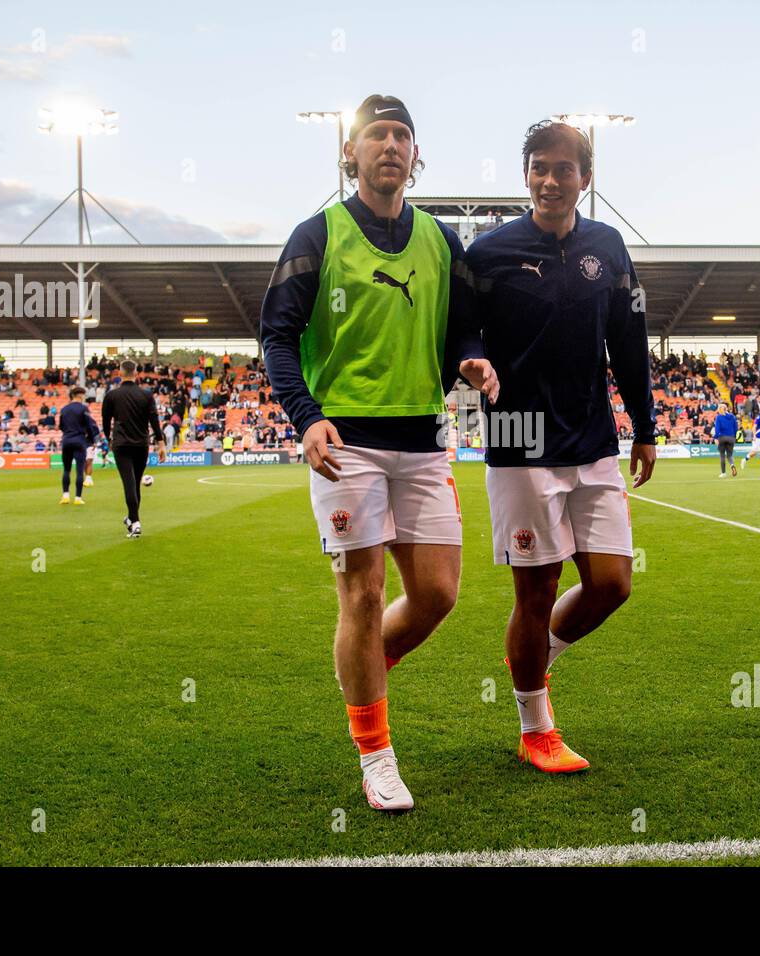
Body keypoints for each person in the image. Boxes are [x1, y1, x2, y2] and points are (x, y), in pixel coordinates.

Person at [260, 94, 496, 812]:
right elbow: (275, 334)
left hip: (425, 440)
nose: (390, 145)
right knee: (361, 595)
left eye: (402, 135)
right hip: (347, 442)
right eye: (376, 135)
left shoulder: (442, 242)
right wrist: (306, 418)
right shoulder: (317, 233)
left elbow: (464, 330)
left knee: (438, 595)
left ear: (415, 157)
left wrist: (473, 363)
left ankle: (365, 666)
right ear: (350, 155)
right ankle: (377, 754)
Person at [465, 118, 655, 774]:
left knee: (612, 583)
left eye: (564, 169)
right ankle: (534, 724)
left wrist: (646, 426)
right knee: (537, 590)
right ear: (525, 175)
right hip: (520, 440)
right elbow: (462, 331)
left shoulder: (608, 247)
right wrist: (471, 362)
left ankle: (531, 657)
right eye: (540, 167)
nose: (551, 180)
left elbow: (629, 344)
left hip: (595, 438)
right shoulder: (488, 252)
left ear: (586, 178)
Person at [101, 360, 167, 537]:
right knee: (135, 482)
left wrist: (107, 441)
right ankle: (132, 518)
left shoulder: (111, 396)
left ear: (120, 373)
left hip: (121, 445)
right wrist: (161, 445)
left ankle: (135, 522)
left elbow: (106, 423)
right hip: (141, 445)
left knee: (129, 483)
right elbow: (154, 422)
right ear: (136, 373)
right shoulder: (146, 395)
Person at [58, 385, 99, 505]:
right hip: (79, 440)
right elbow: (90, 426)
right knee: (79, 470)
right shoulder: (83, 408)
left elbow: (60, 426)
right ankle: (77, 498)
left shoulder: (64, 409)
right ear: (80, 395)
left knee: (66, 470)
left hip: (66, 440)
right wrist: (92, 441)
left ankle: (65, 496)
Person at [713, 402, 739, 478]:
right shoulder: (732, 416)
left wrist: (715, 437)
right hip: (731, 437)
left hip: (722, 437)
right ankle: (732, 465)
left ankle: (723, 473)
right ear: (726, 408)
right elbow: (736, 428)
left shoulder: (719, 417)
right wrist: (733, 436)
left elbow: (717, 429)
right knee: (730, 455)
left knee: (722, 455)